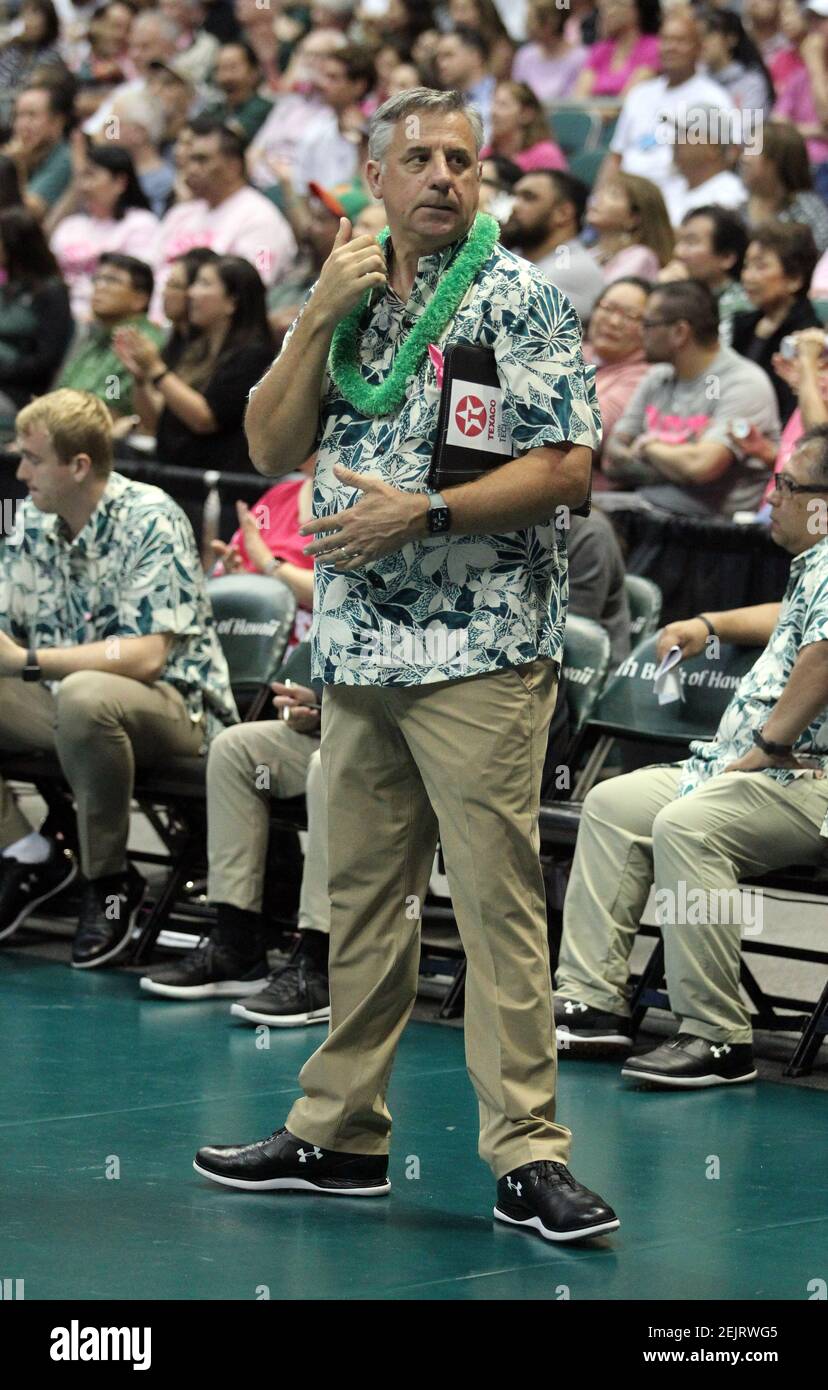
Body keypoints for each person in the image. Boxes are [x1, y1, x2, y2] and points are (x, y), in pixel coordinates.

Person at [193, 87, 619, 1244]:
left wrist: (421, 513)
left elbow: (571, 470)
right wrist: (312, 319)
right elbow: (272, 444)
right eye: (419, 158)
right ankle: (338, 1134)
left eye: (463, 159)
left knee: (495, 911)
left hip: (482, 649)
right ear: (372, 177)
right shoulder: (342, 295)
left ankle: (528, 1157)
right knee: (361, 901)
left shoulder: (521, 297)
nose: (444, 176)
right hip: (360, 648)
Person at [553, 425, 828, 1087]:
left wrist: (771, 742)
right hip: (743, 769)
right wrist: (709, 625)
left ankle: (716, 1034)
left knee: (688, 824)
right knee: (614, 803)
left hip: (807, 779)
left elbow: (824, 654)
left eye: (787, 486)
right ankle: (591, 1002)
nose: (772, 497)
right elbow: (792, 616)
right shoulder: (815, 570)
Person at [0, 388, 237, 968]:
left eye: (32, 458)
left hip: (177, 708)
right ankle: (26, 850)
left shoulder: (151, 517)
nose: (20, 470)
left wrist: (30, 662)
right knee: (79, 697)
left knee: (86, 694)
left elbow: (147, 657)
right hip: (68, 704)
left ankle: (108, 881)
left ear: (79, 466)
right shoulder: (29, 520)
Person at [605, 278, 780, 516]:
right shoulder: (657, 376)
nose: (639, 332)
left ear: (680, 332)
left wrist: (648, 446)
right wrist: (677, 469)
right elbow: (612, 458)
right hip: (648, 509)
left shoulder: (743, 383)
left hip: (711, 534)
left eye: (647, 324)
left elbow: (700, 468)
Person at [113, 254, 274, 471]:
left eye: (204, 284)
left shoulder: (254, 355)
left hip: (215, 484)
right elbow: (157, 419)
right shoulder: (193, 349)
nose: (191, 293)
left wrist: (156, 370)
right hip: (173, 471)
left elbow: (205, 419)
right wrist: (142, 379)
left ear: (232, 302)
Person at [151, 117, 297, 304]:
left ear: (233, 166)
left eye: (201, 160)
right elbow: (149, 272)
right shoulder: (180, 214)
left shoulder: (261, 219)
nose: (191, 169)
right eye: (189, 160)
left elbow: (252, 287)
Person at [601, 7, 733, 187]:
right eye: (666, 40)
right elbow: (616, 156)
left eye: (680, 41)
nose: (671, 47)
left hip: (679, 194)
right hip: (629, 194)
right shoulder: (639, 94)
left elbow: (727, 156)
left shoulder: (715, 98)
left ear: (698, 48)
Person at [50, 143, 158, 321]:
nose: (84, 187)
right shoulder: (70, 225)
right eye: (82, 178)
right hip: (60, 317)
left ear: (119, 182)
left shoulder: (140, 224)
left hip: (106, 319)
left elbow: (139, 284)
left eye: (91, 176)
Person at [732, 220, 820, 424]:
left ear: (795, 279)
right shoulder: (743, 324)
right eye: (746, 266)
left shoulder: (806, 335)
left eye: (760, 267)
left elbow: (795, 407)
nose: (747, 276)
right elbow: (716, 378)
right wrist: (715, 402)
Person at [58, 251, 163, 421]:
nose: (100, 286)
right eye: (97, 279)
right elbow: (62, 389)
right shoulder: (97, 338)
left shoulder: (140, 342)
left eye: (112, 280)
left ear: (140, 299)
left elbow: (109, 407)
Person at [501, 168, 606, 324]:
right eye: (515, 196)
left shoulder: (573, 268)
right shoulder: (516, 254)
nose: (514, 206)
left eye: (528, 198)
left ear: (563, 213)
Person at [0, 207, 73, 417]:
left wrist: (5, 371)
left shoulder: (52, 292)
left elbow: (45, 359)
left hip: (19, 393)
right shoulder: (7, 287)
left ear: (15, 245)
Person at [288, 45, 376, 197]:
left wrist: (361, 139)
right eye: (324, 76)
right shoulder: (315, 127)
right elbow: (300, 189)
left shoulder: (377, 132)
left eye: (333, 78)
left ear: (358, 86)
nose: (323, 84)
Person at [658, 204, 752, 340]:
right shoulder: (682, 290)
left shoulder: (739, 307)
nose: (678, 252)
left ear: (727, 257)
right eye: (679, 241)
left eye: (691, 242)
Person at [582, 275, 652, 452]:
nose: (614, 322)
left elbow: (588, 430)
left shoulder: (642, 377)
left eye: (631, 316)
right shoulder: (568, 349)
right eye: (608, 308)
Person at [742, 119, 828, 256]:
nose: (744, 159)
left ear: (778, 161)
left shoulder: (808, 210)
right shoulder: (739, 206)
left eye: (753, 151)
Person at [659, 103, 748, 226]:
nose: (676, 140)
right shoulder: (670, 188)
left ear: (714, 147)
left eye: (686, 133)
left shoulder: (730, 194)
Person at [5, 81, 74, 222]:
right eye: (18, 116)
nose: (23, 125)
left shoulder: (65, 157)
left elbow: (30, 211)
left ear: (57, 122)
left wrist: (12, 167)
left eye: (32, 115)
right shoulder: (25, 153)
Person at [586, 171, 672, 282]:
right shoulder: (592, 252)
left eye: (613, 195)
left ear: (633, 218)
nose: (598, 200)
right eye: (600, 193)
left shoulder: (640, 256)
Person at [572, 0, 661, 102]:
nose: (607, 12)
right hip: (591, 115)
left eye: (615, 4)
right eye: (605, 6)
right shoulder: (600, 49)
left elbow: (628, 100)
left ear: (637, 10)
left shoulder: (653, 47)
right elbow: (579, 98)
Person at [109, 87, 175, 218]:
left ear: (138, 132)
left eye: (114, 125)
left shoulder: (164, 181)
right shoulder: (109, 172)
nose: (108, 131)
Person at [0, 0, 67, 132]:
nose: (29, 20)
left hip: (17, 118)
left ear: (48, 21)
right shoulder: (11, 48)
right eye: (26, 13)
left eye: (36, 14)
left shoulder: (52, 57)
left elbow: (31, 93)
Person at [699, 7, 775, 114]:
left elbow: (749, 127)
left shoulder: (751, 83)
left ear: (731, 39)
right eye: (698, 36)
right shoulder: (696, 77)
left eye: (709, 34)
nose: (702, 42)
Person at [480, 80, 567, 173]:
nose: (493, 112)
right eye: (494, 103)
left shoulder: (546, 155)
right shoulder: (486, 153)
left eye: (503, 105)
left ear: (526, 114)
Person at [512, 0, 587, 104]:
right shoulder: (525, 56)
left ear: (552, 21)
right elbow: (518, 96)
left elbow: (577, 102)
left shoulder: (580, 57)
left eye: (532, 19)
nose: (528, 26)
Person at [204, 40, 273, 144]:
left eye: (233, 68)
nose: (226, 77)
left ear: (254, 72)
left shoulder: (263, 108)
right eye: (220, 69)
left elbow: (230, 138)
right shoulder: (214, 110)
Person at [434, 28, 496, 142]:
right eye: (439, 57)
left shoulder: (498, 94)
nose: (441, 63)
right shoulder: (439, 101)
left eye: (448, 55)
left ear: (475, 56)